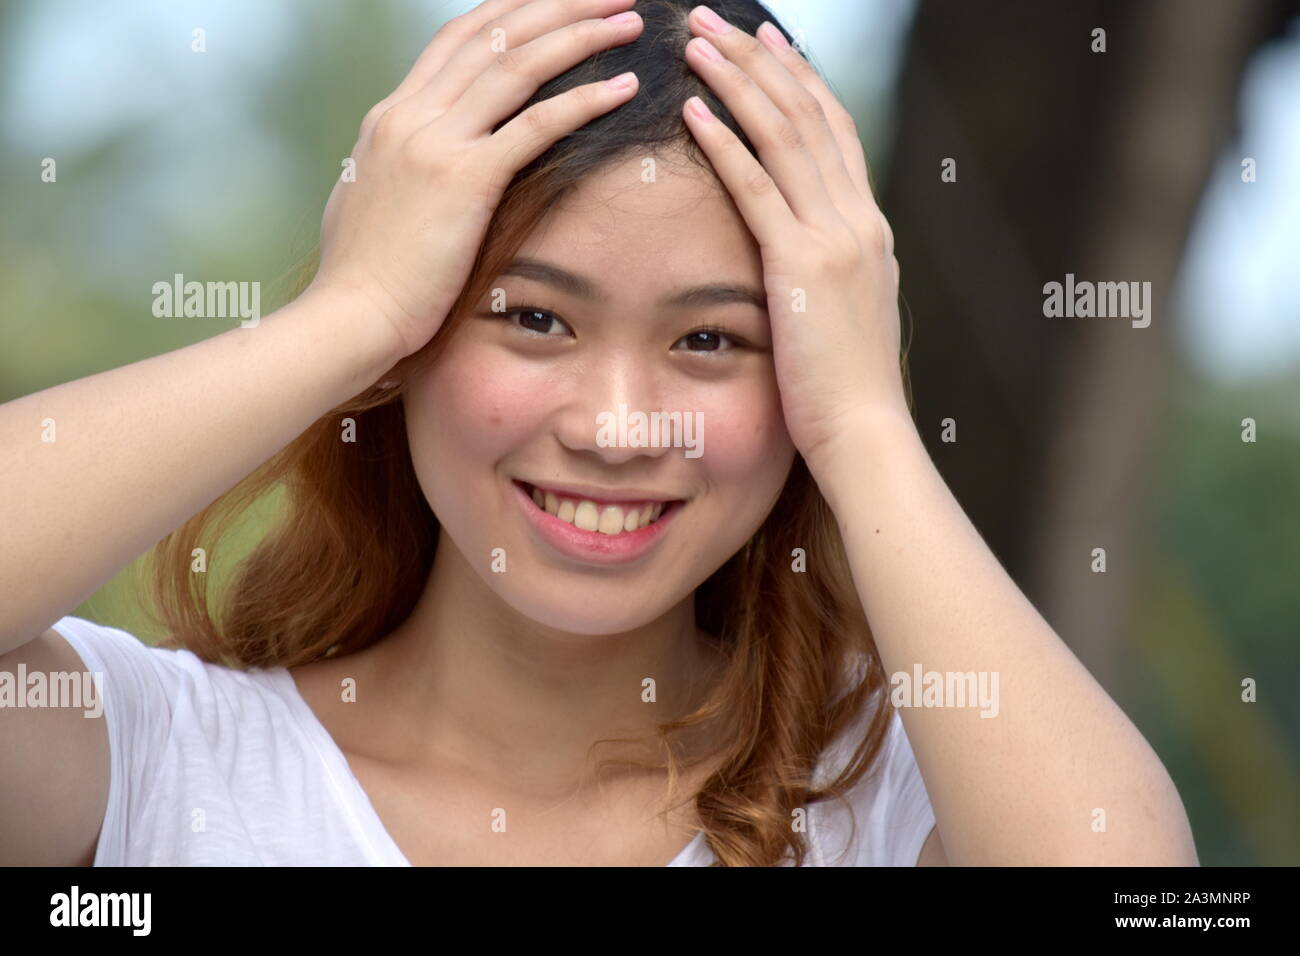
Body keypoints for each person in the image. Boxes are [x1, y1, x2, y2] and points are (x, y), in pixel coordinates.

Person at [0, 0, 1198, 867]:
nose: (619, 426)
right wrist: (346, 314)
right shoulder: (161, 759)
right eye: (531, 317)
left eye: (711, 340)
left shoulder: (881, 807)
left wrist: (869, 419)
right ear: (411, 348)